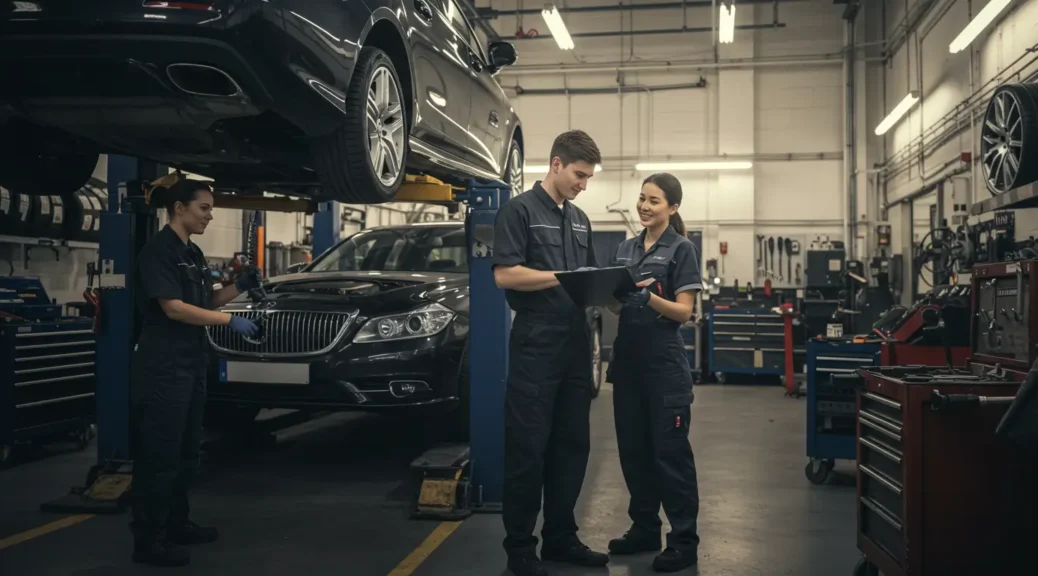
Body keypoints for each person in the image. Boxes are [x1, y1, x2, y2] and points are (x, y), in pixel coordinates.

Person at [492, 130, 608, 576]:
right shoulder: (518, 211)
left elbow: (588, 276)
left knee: (571, 446)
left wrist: (616, 286)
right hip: (537, 343)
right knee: (528, 449)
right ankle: (520, 548)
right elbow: (505, 275)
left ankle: (561, 538)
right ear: (556, 164)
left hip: (576, 342)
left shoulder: (580, 219)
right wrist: (560, 275)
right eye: (580, 174)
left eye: (589, 177)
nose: (584, 184)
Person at [129, 177, 262, 567]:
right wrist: (227, 321)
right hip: (162, 365)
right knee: (160, 455)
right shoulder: (158, 252)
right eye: (204, 208)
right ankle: (148, 540)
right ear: (179, 208)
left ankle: (176, 523)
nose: (210, 214)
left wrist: (238, 286)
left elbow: (205, 300)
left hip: (190, 364)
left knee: (187, 452)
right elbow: (174, 308)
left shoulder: (194, 254)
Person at [605, 173, 702, 573]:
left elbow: (684, 311)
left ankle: (683, 541)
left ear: (673, 208)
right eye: (642, 198)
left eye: (655, 201)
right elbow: (616, 308)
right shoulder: (626, 248)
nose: (645, 206)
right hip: (627, 365)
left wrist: (649, 297)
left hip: (664, 369)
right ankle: (644, 528)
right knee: (634, 453)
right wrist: (609, 297)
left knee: (670, 456)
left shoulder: (681, 249)